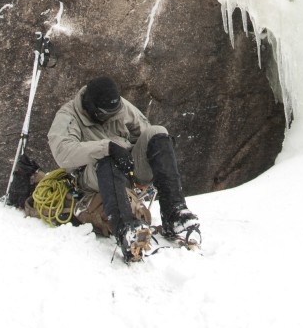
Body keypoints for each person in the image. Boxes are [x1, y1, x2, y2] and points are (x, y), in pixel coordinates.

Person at [48, 75, 200, 262]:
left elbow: (145, 130)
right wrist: (108, 147)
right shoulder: (68, 115)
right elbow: (62, 153)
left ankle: (175, 213)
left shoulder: (119, 107)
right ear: (92, 108)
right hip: (93, 175)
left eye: (114, 112)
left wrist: (160, 149)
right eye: (106, 114)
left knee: (158, 133)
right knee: (107, 159)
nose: (112, 117)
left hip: (128, 166)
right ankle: (125, 228)